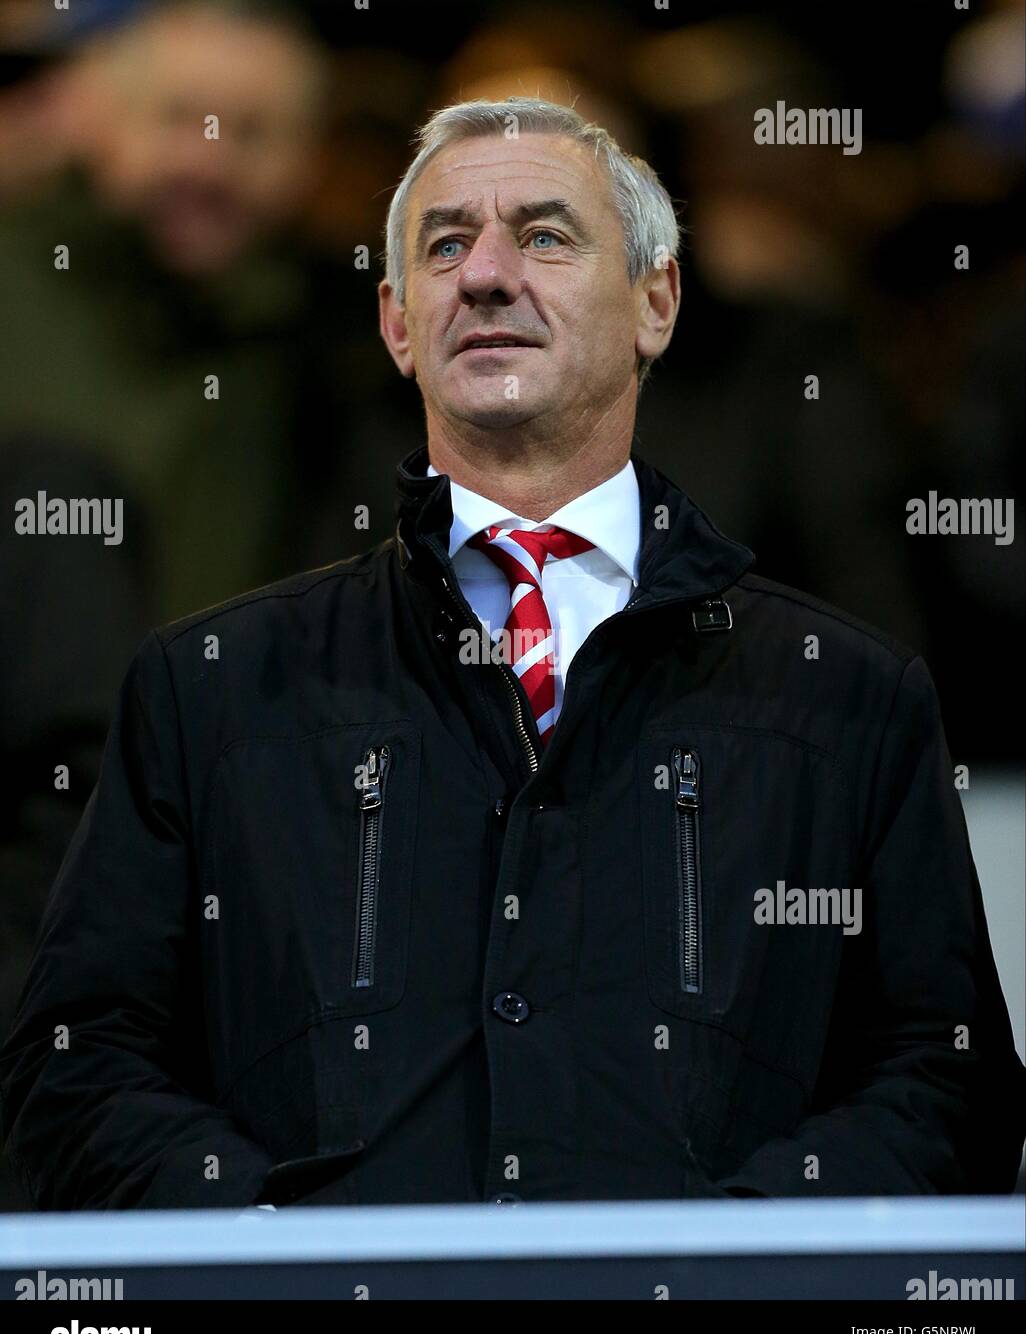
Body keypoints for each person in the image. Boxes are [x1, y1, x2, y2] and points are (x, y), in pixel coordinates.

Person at [1, 98, 1022, 1209]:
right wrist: (290, 1252)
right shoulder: (210, 688)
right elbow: (74, 1071)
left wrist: (713, 1270)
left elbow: (946, 1081)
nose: (487, 275)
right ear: (397, 324)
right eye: (446, 245)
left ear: (657, 301)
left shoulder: (850, 697)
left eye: (544, 235)